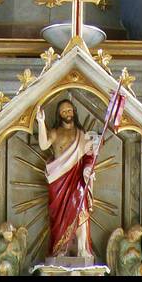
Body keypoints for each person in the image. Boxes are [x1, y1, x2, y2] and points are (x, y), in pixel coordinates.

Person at [36, 99, 96, 259]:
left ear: (74, 112)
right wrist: (41, 122)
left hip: (77, 179)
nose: (67, 114)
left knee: (81, 209)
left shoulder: (81, 135)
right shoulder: (55, 132)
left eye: (69, 110)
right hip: (58, 182)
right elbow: (43, 144)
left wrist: (88, 168)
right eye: (64, 111)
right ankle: (60, 250)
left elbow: (89, 158)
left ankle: (82, 249)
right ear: (59, 114)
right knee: (59, 217)